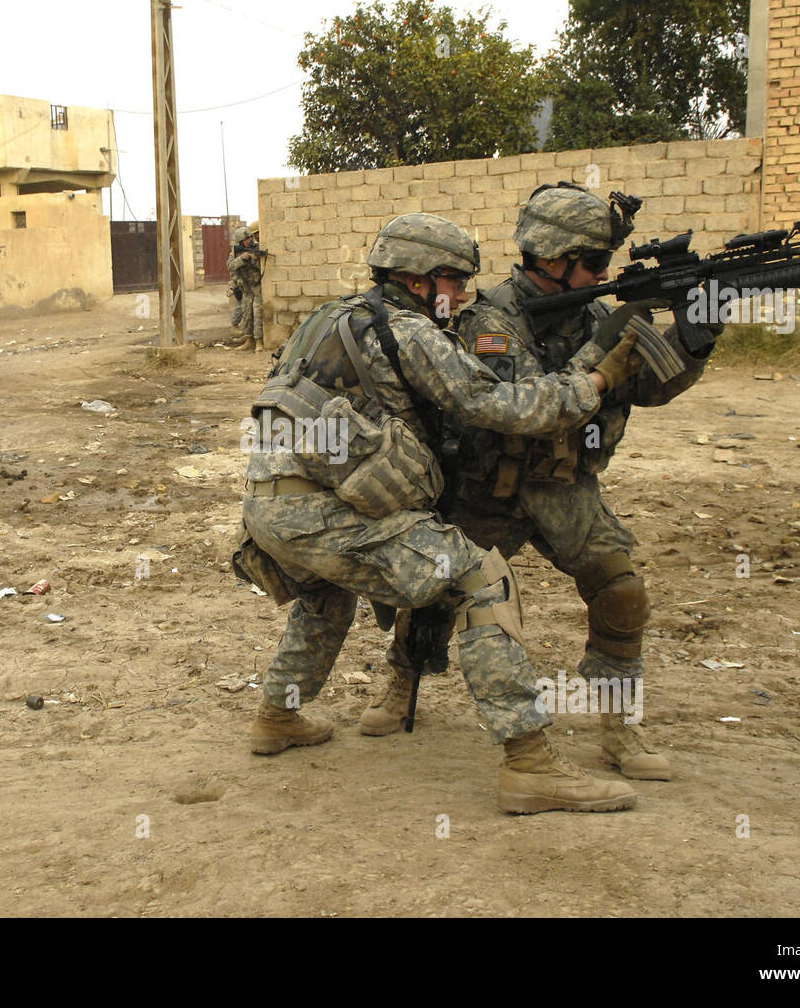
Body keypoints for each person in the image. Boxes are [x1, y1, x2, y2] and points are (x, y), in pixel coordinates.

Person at [235, 211, 655, 814]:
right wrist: (594, 381)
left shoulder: (328, 317)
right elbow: (498, 404)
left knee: (328, 590)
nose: (462, 295)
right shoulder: (408, 331)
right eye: (454, 281)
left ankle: (279, 715)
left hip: (268, 510)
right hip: (323, 512)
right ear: (417, 279)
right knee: (481, 577)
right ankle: (531, 764)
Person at [359, 183, 724, 783]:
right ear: (554, 259)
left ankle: (617, 725)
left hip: (563, 487)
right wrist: (603, 356)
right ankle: (403, 678)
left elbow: (651, 386)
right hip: (485, 484)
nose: (603, 273)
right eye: (596, 263)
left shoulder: (602, 315)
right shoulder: (489, 322)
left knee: (622, 590)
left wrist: (697, 333)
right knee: (433, 594)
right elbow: (523, 403)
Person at [227, 225, 265, 351]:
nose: (248, 240)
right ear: (240, 241)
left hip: (256, 288)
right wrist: (242, 259)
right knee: (247, 314)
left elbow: (262, 268)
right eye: (245, 239)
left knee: (257, 313)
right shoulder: (236, 252)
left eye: (249, 238)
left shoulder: (257, 248)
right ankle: (249, 340)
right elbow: (230, 266)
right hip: (246, 290)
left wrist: (255, 259)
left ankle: (259, 341)